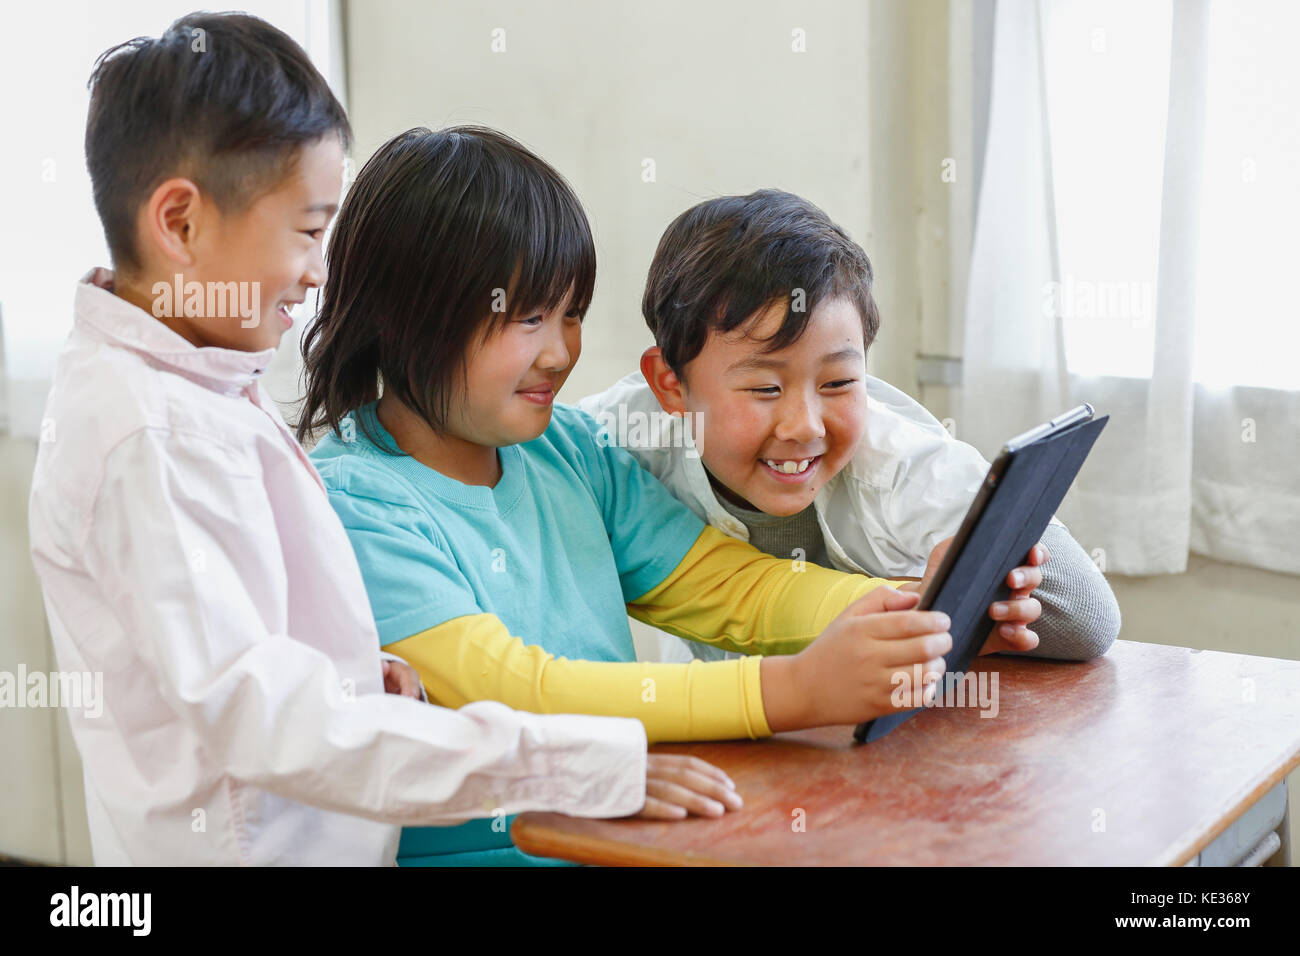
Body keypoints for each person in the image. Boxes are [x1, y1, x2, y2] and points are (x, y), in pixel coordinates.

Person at [26, 13, 738, 867]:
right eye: (306, 231)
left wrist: (358, 676)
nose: (318, 271)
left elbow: (255, 657)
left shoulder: (196, 383)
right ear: (179, 224)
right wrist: (573, 768)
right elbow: (265, 717)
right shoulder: (150, 433)